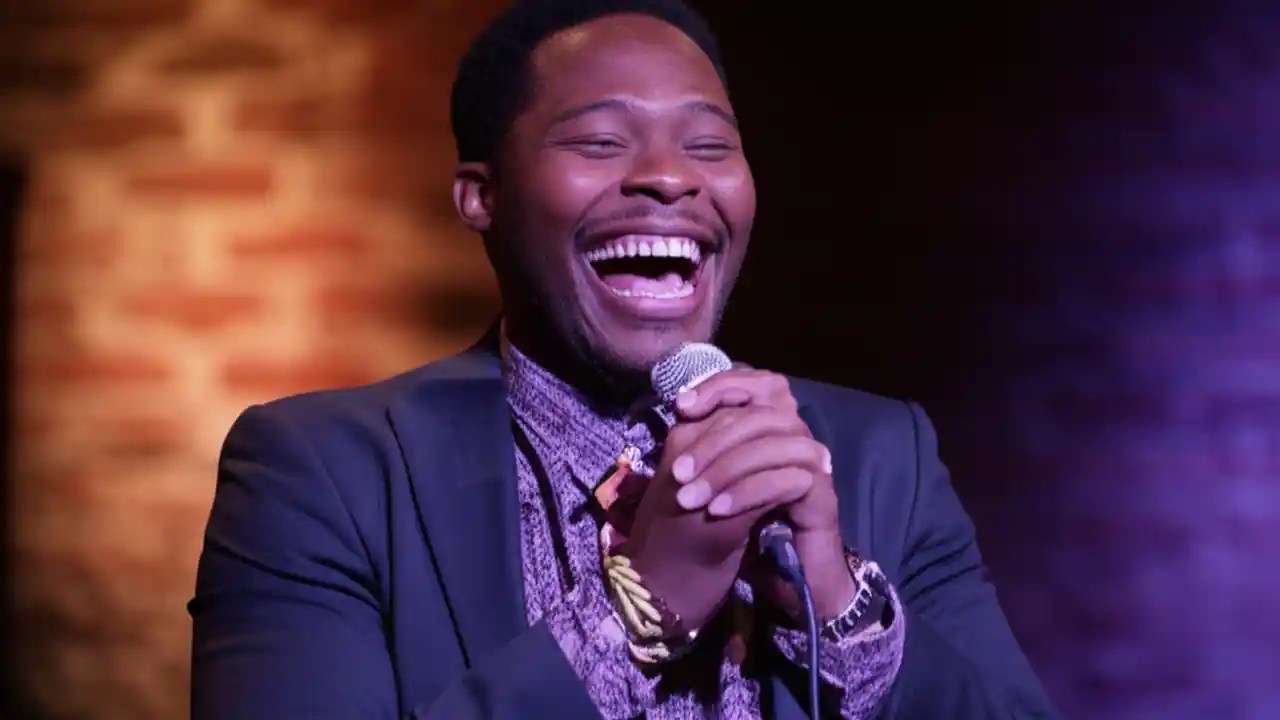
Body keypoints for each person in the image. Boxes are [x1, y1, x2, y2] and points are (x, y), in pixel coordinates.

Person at [188, 1, 1060, 718]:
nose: (670, 178)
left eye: (710, 146)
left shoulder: (880, 456)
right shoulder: (323, 472)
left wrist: (833, 601)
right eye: (601, 142)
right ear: (481, 197)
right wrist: (639, 607)